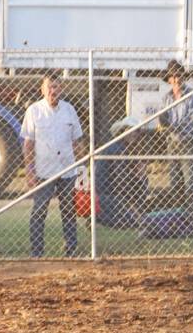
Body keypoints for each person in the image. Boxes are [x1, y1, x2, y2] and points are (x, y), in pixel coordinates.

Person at [21, 73, 84, 257]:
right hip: (43, 171)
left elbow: (77, 142)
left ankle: (71, 250)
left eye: (56, 87)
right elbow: (28, 144)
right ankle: (37, 253)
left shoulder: (69, 110)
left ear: (61, 89)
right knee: (39, 212)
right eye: (49, 87)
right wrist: (30, 171)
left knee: (69, 211)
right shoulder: (34, 111)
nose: (52, 91)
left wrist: (82, 168)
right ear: (42, 90)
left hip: (67, 170)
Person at [156, 59, 193, 214]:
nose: (176, 79)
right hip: (172, 143)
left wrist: (173, 127)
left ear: (183, 77)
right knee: (175, 181)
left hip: (189, 143)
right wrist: (163, 125)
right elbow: (164, 120)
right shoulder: (166, 98)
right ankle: (179, 217)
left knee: (191, 182)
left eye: (179, 75)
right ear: (169, 80)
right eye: (173, 76)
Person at [97, 117, 148, 229]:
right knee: (140, 221)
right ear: (122, 131)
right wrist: (139, 177)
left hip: (111, 197)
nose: (134, 133)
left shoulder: (124, 148)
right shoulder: (117, 149)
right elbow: (122, 185)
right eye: (131, 130)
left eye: (137, 130)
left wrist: (139, 176)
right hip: (106, 197)